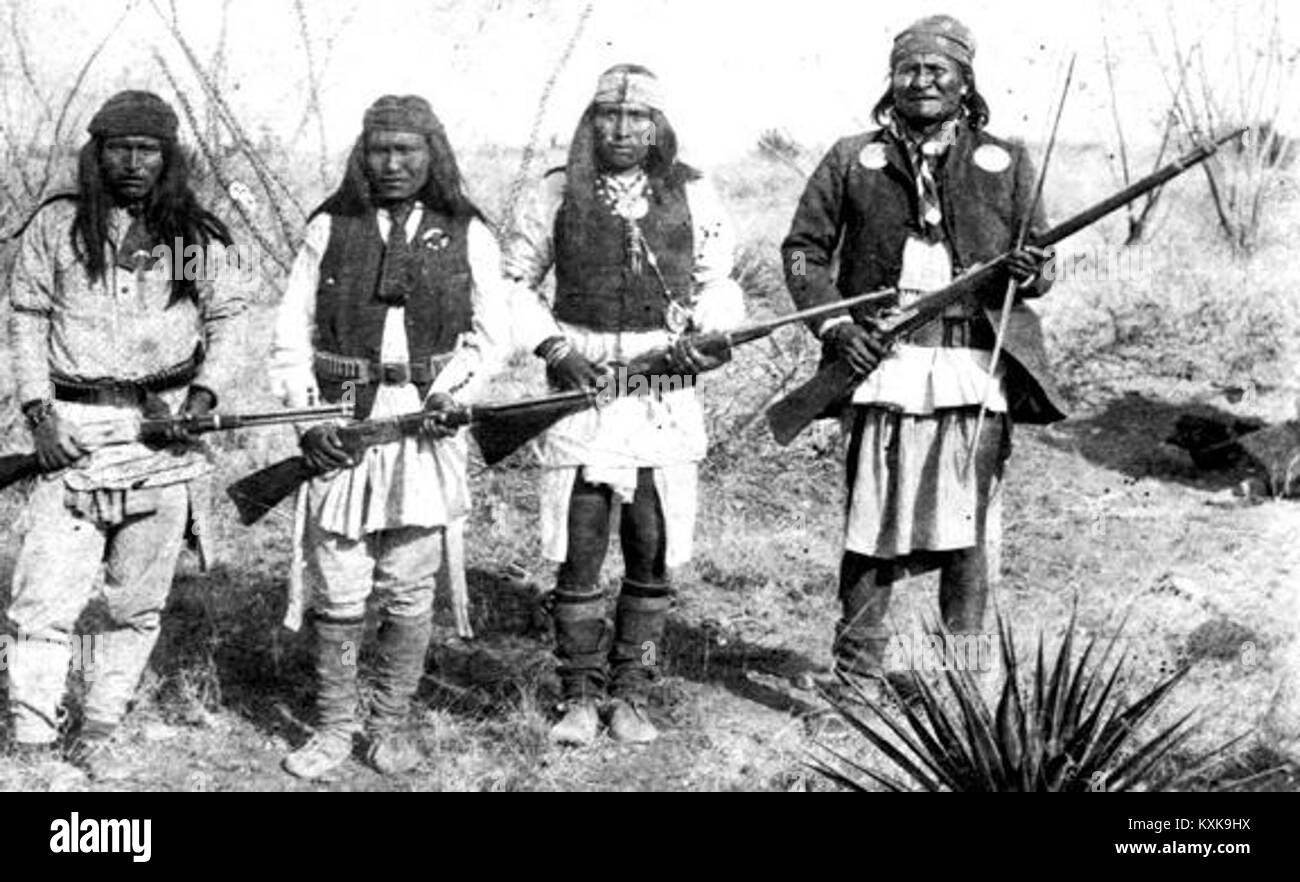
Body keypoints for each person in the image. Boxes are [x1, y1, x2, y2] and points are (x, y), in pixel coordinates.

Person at [780, 15, 1068, 701]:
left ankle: (962, 687)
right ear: (892, 80)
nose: (923, 80)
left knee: (968, 536)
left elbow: (1044, 266)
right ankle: (857, 683)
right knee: (869, 528)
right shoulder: (853, 158)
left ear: (965, 81)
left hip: (973, 369)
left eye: (939, 68)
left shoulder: (1008, 160)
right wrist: (837, 328)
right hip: (882, 370)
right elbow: (802, 253)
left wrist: (1030, 271)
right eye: (909, 67)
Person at [268, 95, 534, 779]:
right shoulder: (329, 228)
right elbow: (289, 334)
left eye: (406, 151)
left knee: (410, 586)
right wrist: (310, 418)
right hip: (342, 424)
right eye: (379, 149)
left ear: (431, 155)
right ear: (363, 153)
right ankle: (332, 728)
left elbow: (492, 334)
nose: (391, 164)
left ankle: (387, 726)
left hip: (423, 427)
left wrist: (454, 394)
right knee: (339, 582)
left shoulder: (467, 231)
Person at [6, 90, 246, 780]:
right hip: (73, 431)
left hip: (162, 433)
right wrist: (39, 415)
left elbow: (230, 315)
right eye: (120, 148)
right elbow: (25, 318)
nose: (133, 163)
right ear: (97, 152)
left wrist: (203, 397)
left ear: (169, 157)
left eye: (148, 150)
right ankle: (31, 739)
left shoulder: (190, 234)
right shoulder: (58, 227)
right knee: (45, 596)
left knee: (136, 600)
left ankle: (102, 725)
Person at [504, 64, 745, 745]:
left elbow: (718, 282)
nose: (623, 128)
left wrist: (706, 336)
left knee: (650, 538)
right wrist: (553, 347)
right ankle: (578, 693)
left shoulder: (692, 191)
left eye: (638, 116)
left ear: (658, 124)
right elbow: (513, 283)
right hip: (580, 382)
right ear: (591, 119)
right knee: (580, 542)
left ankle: (631, 693)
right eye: (609, 114)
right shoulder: (556, 191)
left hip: (661, 382)